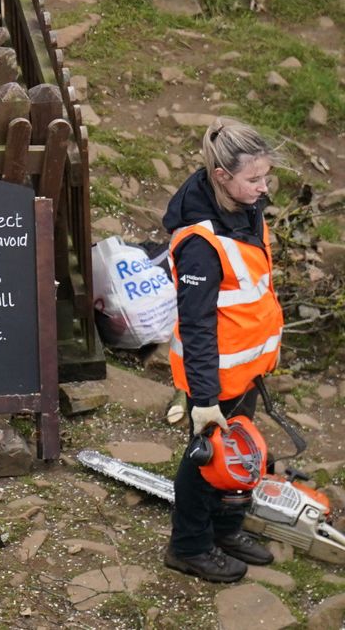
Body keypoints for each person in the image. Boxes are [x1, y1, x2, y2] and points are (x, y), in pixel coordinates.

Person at [161, 120, 283, 583]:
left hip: (246, 367)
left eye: (266, 176)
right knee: (206, 460)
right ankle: (189, 547)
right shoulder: (200, 243)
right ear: (221, 176)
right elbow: (196, 325)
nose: (263, 187)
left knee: (240, 451)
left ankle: (226, 530)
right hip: (215, 375)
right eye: (254, 179)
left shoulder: (246, 207)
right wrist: (204, 399)